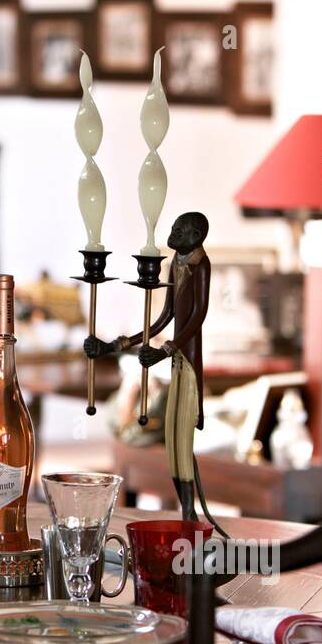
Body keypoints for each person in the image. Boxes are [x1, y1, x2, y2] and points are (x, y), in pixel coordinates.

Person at [85, 212, 223, 530]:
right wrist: (117, 345)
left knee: (181, 439)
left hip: (186, 363)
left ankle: (189, 514)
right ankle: (187, 515)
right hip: (175, 359)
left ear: (197, 235)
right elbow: (164, 318)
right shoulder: (175, 261)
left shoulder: (201, 265)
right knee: (172, 447)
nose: (172, 234)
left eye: (179, 230)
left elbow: (197, 316)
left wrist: (166, 350)